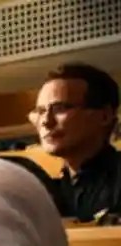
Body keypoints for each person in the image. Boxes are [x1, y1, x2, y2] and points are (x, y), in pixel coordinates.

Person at [31, 62, 120, 222]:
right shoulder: (48, 191)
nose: (46, 121)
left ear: (104, 116)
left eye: (60, 108)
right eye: (41, 111)